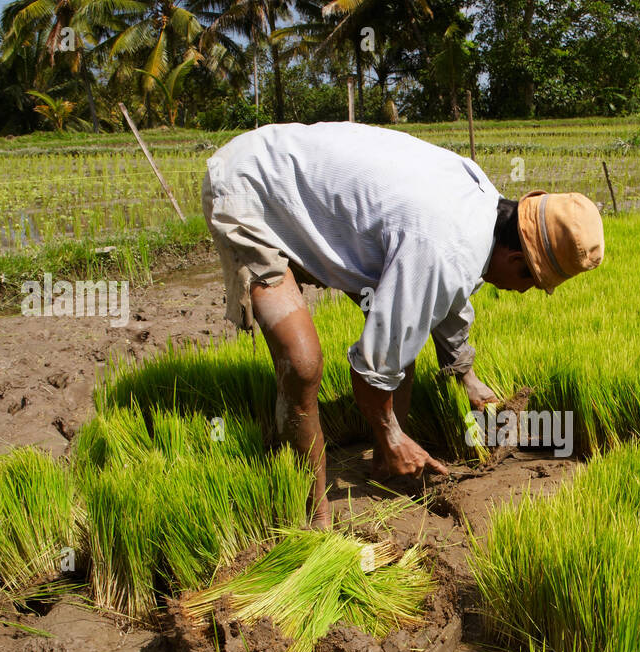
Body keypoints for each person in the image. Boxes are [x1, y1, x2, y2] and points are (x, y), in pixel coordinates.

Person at [201, 121, 605, 527]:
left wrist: (464, 372)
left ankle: (384, 465)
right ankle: (315, 518)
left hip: (309, 196)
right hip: (250, 190)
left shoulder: (483, 205)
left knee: (401, 351)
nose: (522, 293)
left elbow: (443, 299)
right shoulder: (445, 248)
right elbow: (373, 369)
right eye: (530, 284)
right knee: (302, 364)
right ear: (517, 261)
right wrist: (392, 433)